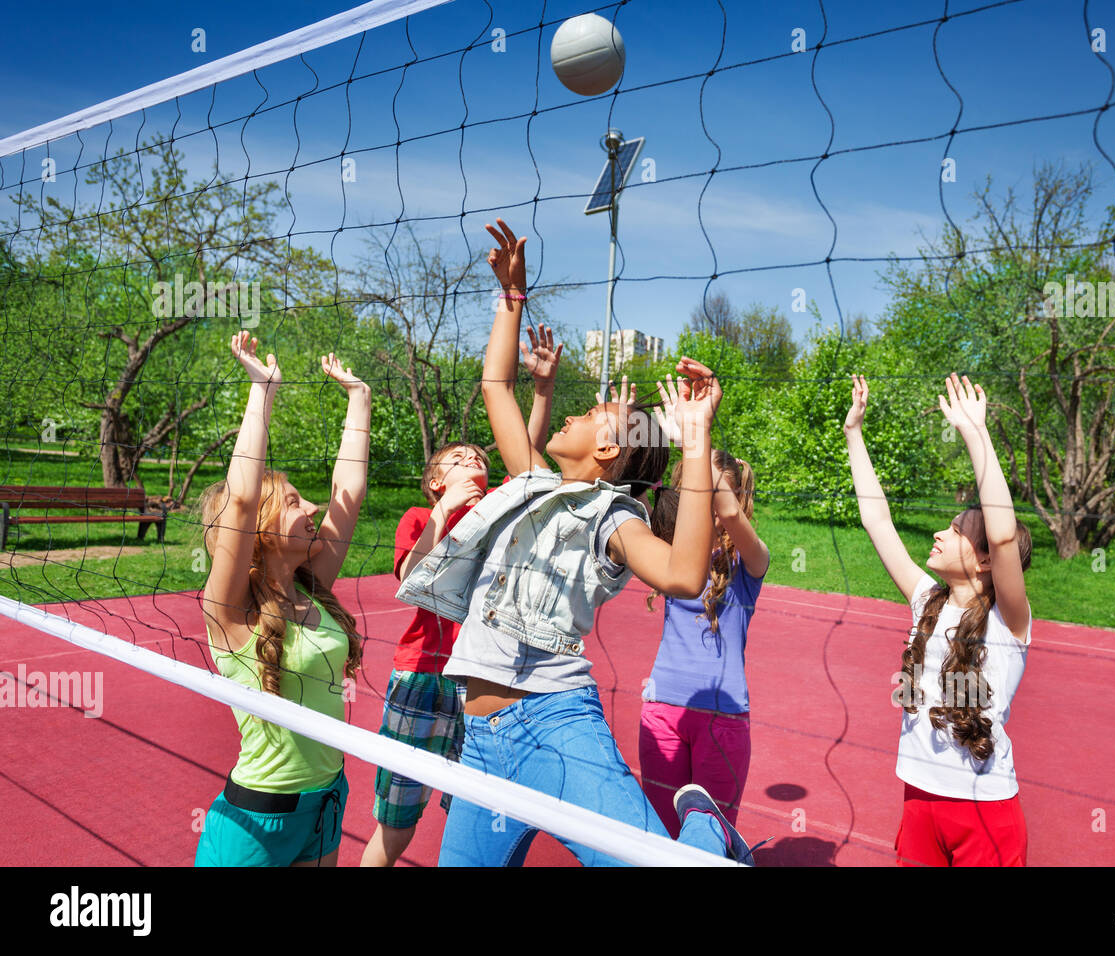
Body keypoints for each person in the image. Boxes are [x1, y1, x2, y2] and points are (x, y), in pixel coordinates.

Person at [398, 218, 751, 865]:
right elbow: (495, 386)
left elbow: (679, 574)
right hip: (478, 739)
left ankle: (707, 830)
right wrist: (511, 299)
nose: (574, 412)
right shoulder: (533, 482)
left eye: (591, 415)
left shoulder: (611, 517)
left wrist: (695, 443)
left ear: (609, 449)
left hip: (551, 728)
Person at [361, 326, 562, 867]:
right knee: (397, 823)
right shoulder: (422, 517)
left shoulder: (497, 510)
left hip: (477, 679)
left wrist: (541, 390)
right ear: (434, 481)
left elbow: (526, 455)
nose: (474, 457)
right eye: (458, 457)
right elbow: (413, 577)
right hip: (422, 676)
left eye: (479, 455)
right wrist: (446, 511)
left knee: (475, 816)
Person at [195, 334, 370, 867]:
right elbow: (243, 498)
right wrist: (262, 391)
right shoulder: (230, 613)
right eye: (294, 501)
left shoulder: (310, 582)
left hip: (326, 803)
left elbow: (349, 492)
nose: (313, 507)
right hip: (256, 820)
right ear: (261, 534)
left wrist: (359, 398)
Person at [844, 373, 1033, 866]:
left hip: (986, 813)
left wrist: (976, 434)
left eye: (955, 531)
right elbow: (876, 519)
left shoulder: (1008, 621)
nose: (938, 534)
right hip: (919, 800)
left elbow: (1005, 534)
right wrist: (854, 434)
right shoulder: (926, 597)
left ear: (987, 559)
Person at [639, 389, 769, 835]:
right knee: (659, 836)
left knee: (709, 838)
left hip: (723, 718)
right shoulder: (671, 553)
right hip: (662, 710)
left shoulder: (750, 560)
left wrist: (694, 441)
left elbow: (729, 512)